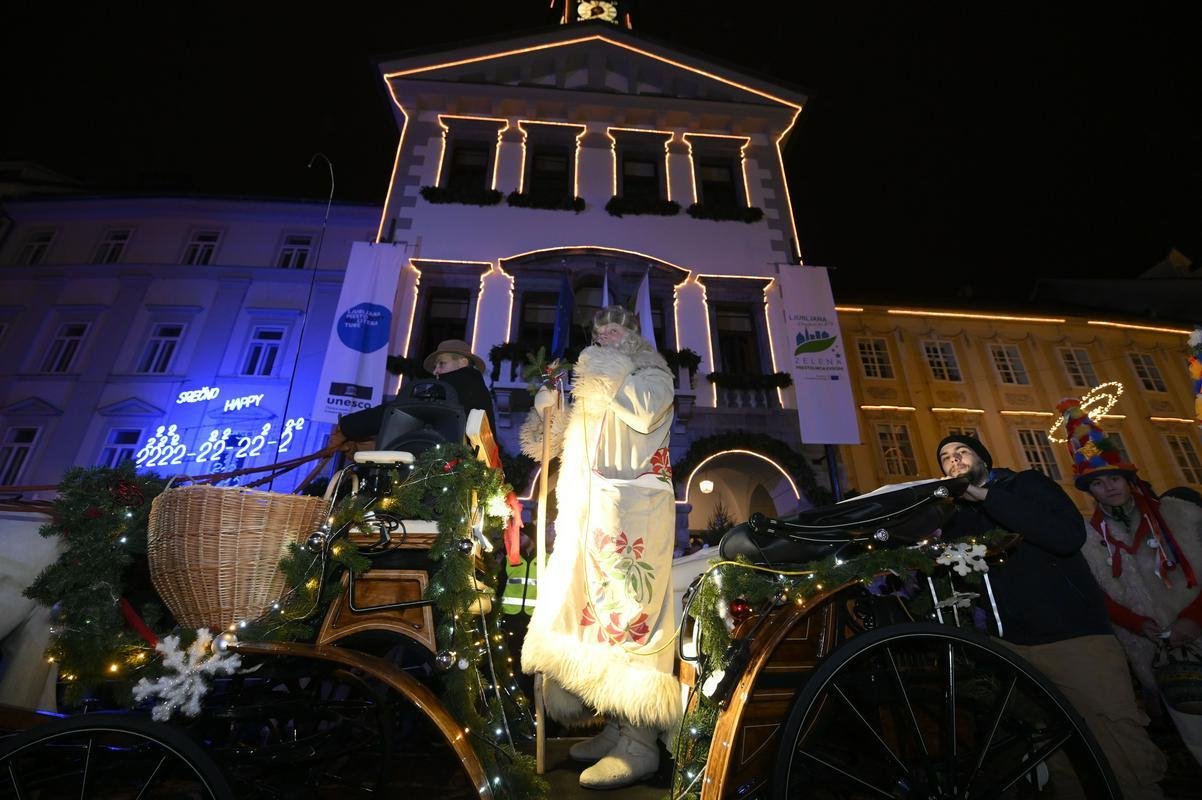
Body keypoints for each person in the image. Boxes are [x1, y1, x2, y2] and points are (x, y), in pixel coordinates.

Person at [936, 433, 1167, 800]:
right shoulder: (957, 517)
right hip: (1012, 646)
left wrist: (989, 497)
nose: (954, 460)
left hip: (1074, 637)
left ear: (984, 458)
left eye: (962, 452)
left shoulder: (1025, 484)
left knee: (1118, 738)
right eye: (946, 458)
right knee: (1057, 750)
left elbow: (1065, 536)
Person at [519, 306, 677, 789]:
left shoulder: (651, 372)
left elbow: (645, 411)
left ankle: (640, 741)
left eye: (617, 328)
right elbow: (544, 445)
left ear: (633, 334)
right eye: (599, 329)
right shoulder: (594, 382)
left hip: (632, 515)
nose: (606, 334)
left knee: (630, 615)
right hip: (588, 519)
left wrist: (599, 371)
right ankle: (616, 725)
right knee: (591, 616)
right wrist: (551, 410)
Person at [1058, 398, 1202, 765]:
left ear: (1128, 479)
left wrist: (1193, 617)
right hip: (1163, 660)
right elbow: (1098, 596)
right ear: (1089, 491)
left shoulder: (1180, 516)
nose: (1108, 488)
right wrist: (1138, 624)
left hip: (1197, 626)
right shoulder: (1089, 540)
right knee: (1196, 737)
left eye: (1114, 478)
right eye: (1098, 483)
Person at [328, 338, 496, 450]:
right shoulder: (475, 388)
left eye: (441, 364)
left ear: (462, 362)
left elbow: (396, 411)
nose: (436, 371)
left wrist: (347, 426)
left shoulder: (450, 387)